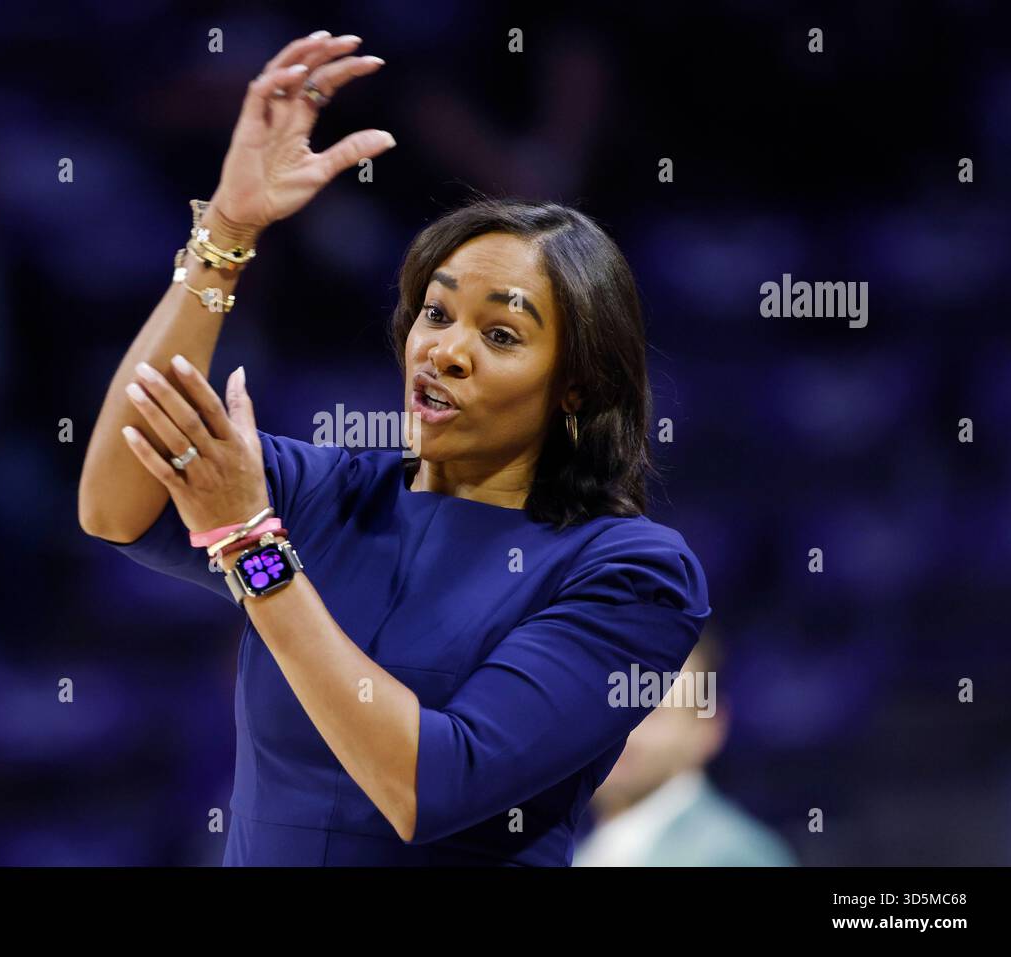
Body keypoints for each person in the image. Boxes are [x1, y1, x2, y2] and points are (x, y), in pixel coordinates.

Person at [78, 30, 711, 866]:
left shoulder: (627, 571)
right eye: (437, 313)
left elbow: (431, 785)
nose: (445, 348)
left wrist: (253, 550)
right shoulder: (330, 491)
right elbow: (116, 501)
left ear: (578, 387)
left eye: (501, 332)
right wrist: (226, 236)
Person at [573, 633, 797, 866]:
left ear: (709, 728)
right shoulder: (585, 849)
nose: (620, 733)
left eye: (649, 712)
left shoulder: (733, 855)